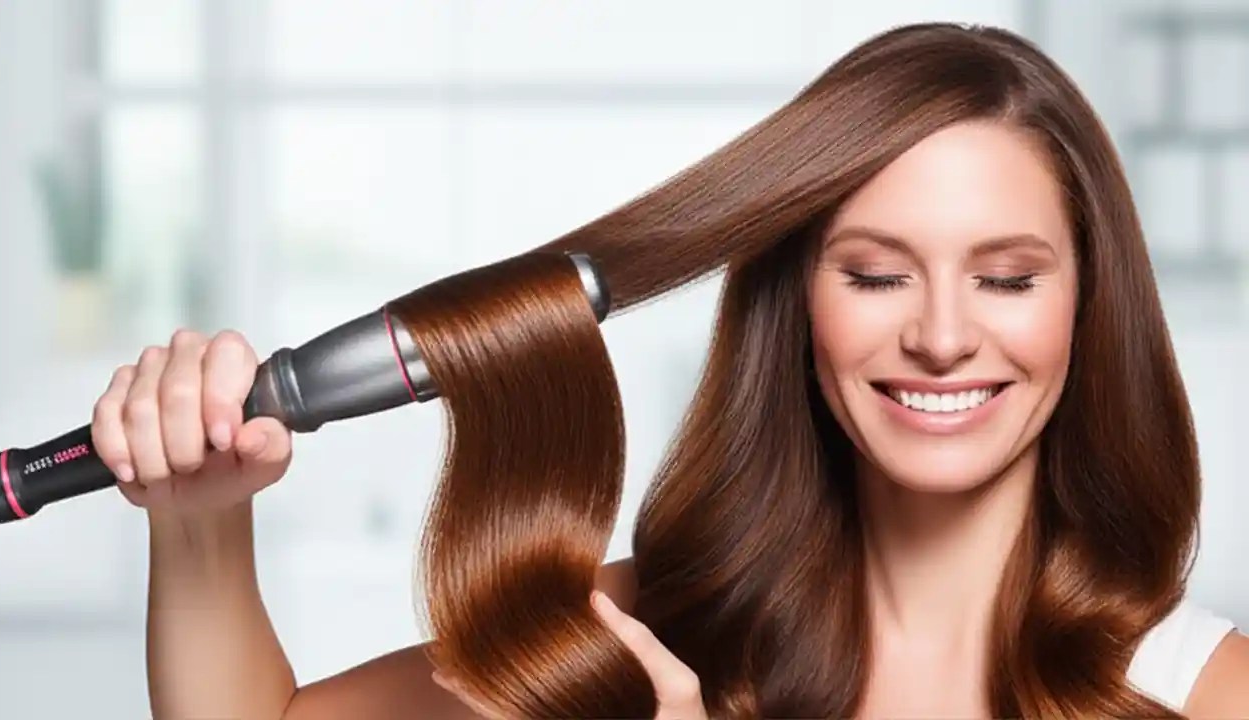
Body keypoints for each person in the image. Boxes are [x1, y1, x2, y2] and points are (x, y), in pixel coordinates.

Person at [90, 22, 1249, 719]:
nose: (942, 336)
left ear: (1087, 303)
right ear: (795, 305)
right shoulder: (644, 641)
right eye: (874, 275)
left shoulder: (1204, 693)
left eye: (1004, 278)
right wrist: (199, 524)